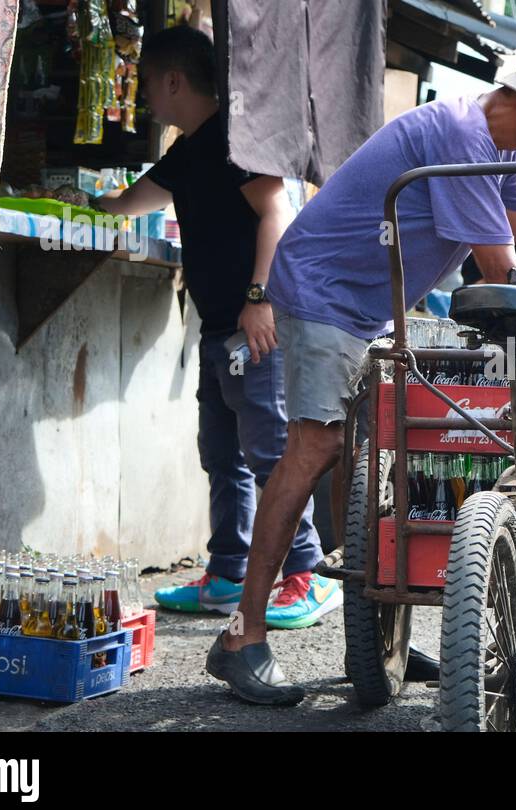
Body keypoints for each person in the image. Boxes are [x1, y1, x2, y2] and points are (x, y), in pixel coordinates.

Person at [204, 33, 516, 705]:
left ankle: (374, 640)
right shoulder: (463, 136)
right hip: (325, 292)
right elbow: (500, 270)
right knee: (314, 448)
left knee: (374, 456)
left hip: (368, 306)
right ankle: (241, 637)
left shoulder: (503, 150)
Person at [95, 26, 339, 628]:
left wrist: (260, 298)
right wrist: (83, 204)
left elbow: (276, 214)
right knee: (222, 454)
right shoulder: (188, 151)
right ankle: (229, 572)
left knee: (271, 452)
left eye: (148, 83)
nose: (144, 96)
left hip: (256, 325)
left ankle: (306, 574)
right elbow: (130, 202)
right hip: (217, 330)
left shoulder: (239, 139)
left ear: (174, 80)